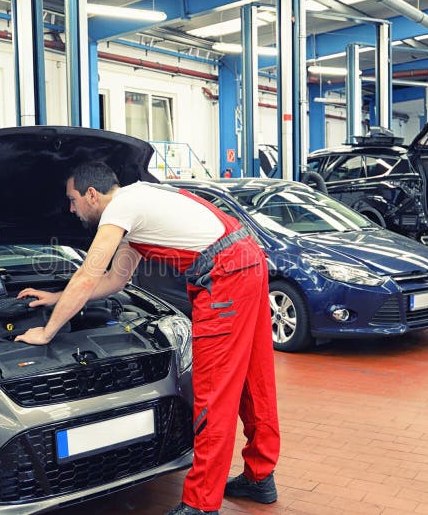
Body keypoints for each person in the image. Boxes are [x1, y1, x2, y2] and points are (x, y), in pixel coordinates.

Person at [15, 161, 280, 515]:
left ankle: (201, 504)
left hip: (225, 276)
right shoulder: (137, 204)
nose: (71, 209)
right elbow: (114, 281)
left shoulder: (120, 209)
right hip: (246, 261)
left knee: (214, 390)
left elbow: (88, 274)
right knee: (254, 376)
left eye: (73, 200)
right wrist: (55, 298)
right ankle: (260, 475)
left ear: (92, 194)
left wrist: (47, 331)